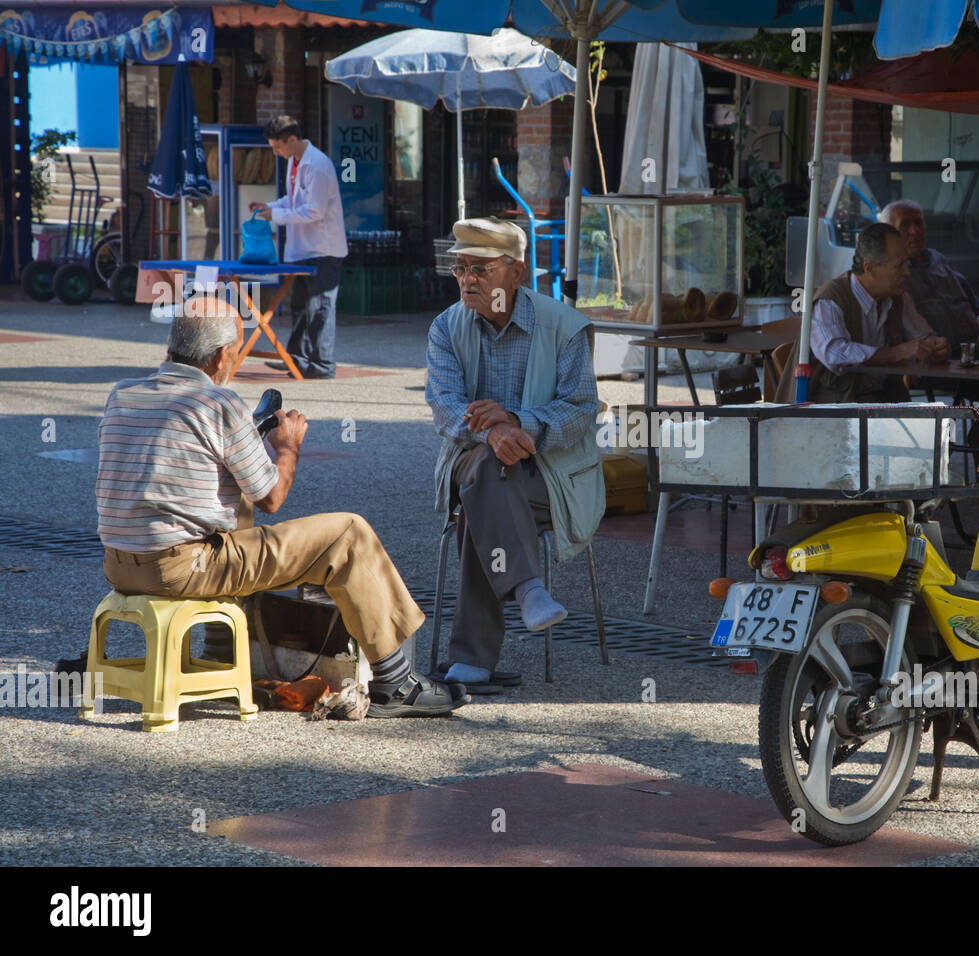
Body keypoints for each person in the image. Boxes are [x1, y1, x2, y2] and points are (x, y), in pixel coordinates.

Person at [95, 297, 461, 718]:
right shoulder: (220, 403)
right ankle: (396, 682)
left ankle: (219, 648)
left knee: (235, 505)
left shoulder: (123, 394)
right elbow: (271, 496)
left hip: (120, 564)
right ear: (220, 356)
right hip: (181, 569)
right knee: (349, 533)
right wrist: (286, 447)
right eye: (235, 350)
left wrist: (241, 443)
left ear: (170, 350)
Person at [426, 218, 604, 695]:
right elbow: (444, 407)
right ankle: (528, 589)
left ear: (517, 274)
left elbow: (581, 411)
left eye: (481, 269)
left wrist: (518, 422)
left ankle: (472, 659)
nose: (468, 280)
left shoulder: (564, 327)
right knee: (487, 471)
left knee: (482, 504)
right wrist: (493, 435)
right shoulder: (446, 326)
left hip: (549, 474)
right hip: (472, 458)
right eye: (460, 268)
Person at [776, 221, 949, 404]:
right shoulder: (831, 298)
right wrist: (897, 353)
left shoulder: (898, 296)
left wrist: (936, 347)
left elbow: (924, 338)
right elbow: (836, 354)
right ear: (870, 268)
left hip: (881, 405)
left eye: (907, 263)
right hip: (831, 414)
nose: (907, 272)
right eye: (899, 265)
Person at [249, 115, 348, 380]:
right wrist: (270, 208)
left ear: (291, 140)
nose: (275, 152)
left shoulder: (317, 165)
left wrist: (277, 216)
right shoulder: (294, 161)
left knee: (320, 307)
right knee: (301, 306)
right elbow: (293, 200)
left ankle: (322, 364)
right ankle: (297, 359)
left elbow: (314, 210)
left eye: (277, 146)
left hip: (323, 248)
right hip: (302, 248)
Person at [880, 199, 979, 349]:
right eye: (905, 225)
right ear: (889, 234)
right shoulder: (892, 277)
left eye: (919, 223)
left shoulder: (938, 259)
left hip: (977, 346)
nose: (915, 231)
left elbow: (974, 305)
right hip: (939, 357)